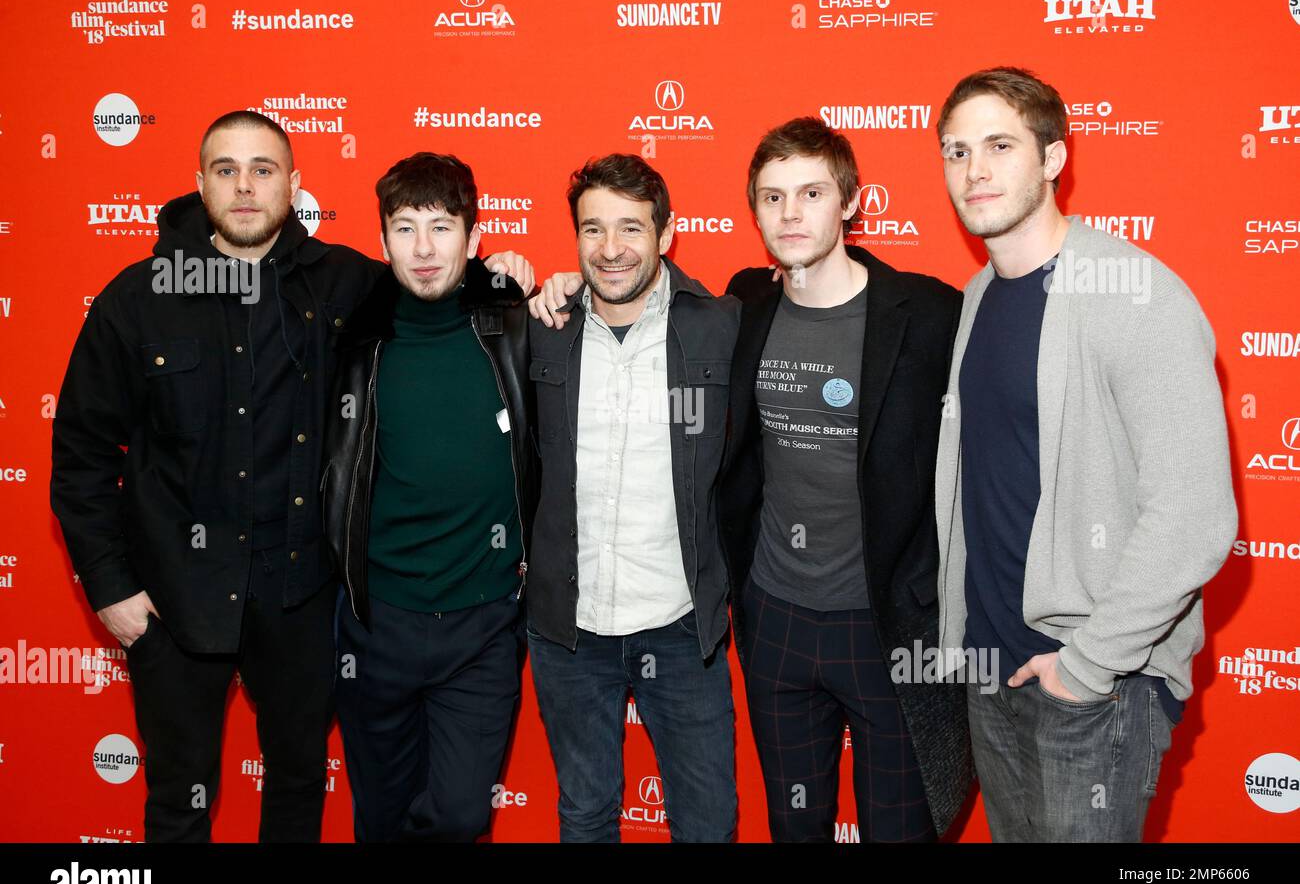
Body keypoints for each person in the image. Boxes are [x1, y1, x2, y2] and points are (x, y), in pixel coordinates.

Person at [50, 111, 534, 842]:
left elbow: (434, 282)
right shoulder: (139, 296)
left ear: (295, 185)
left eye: (264, 170)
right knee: (179, 799)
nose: (245, 188)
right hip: (175, 600)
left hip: (300, 598)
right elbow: (82, 452)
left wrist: (508, 278)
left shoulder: (343, 283)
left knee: (299, 786)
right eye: (226, 170)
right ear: (199, 182)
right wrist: (111, 588)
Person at [933, 67, 1237, 841]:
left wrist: (1088, 665)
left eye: (1000, 145)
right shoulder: (975, 297)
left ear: (1054, 159)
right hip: (992, 668)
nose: (975, 170)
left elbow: (1195, 516)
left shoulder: (1135, 294)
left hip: (1095, 684)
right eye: (956, 151)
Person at [720, 118, 971, 841]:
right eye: (772, 197)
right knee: (796, 827)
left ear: (851, 202)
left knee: (902, 831)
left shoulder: (929, 313)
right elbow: (641, 293)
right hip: (775, 620)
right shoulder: (747, 303)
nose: (790, 214)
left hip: (890, 624)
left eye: (811, 193)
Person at [525, 154, 740, 841]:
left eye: (630, 228)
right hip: (569, 628)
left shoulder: (720, 325)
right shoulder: (541, 327)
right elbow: (432, 289)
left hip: (681, 627)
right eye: (593, 230)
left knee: (707, 824)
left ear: (667, 233)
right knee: (584, 816)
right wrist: (498, 269)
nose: (611, 249)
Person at [321, 152, 534, 842]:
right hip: (378, 623)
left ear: (473, 239)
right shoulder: (351, 338)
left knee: (463, 815)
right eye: (404, 227)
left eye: (441, 227)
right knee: (380, 818)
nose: (422, 248)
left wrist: (534, 277)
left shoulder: (517, 325)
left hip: (483, 626)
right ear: (382, 239)